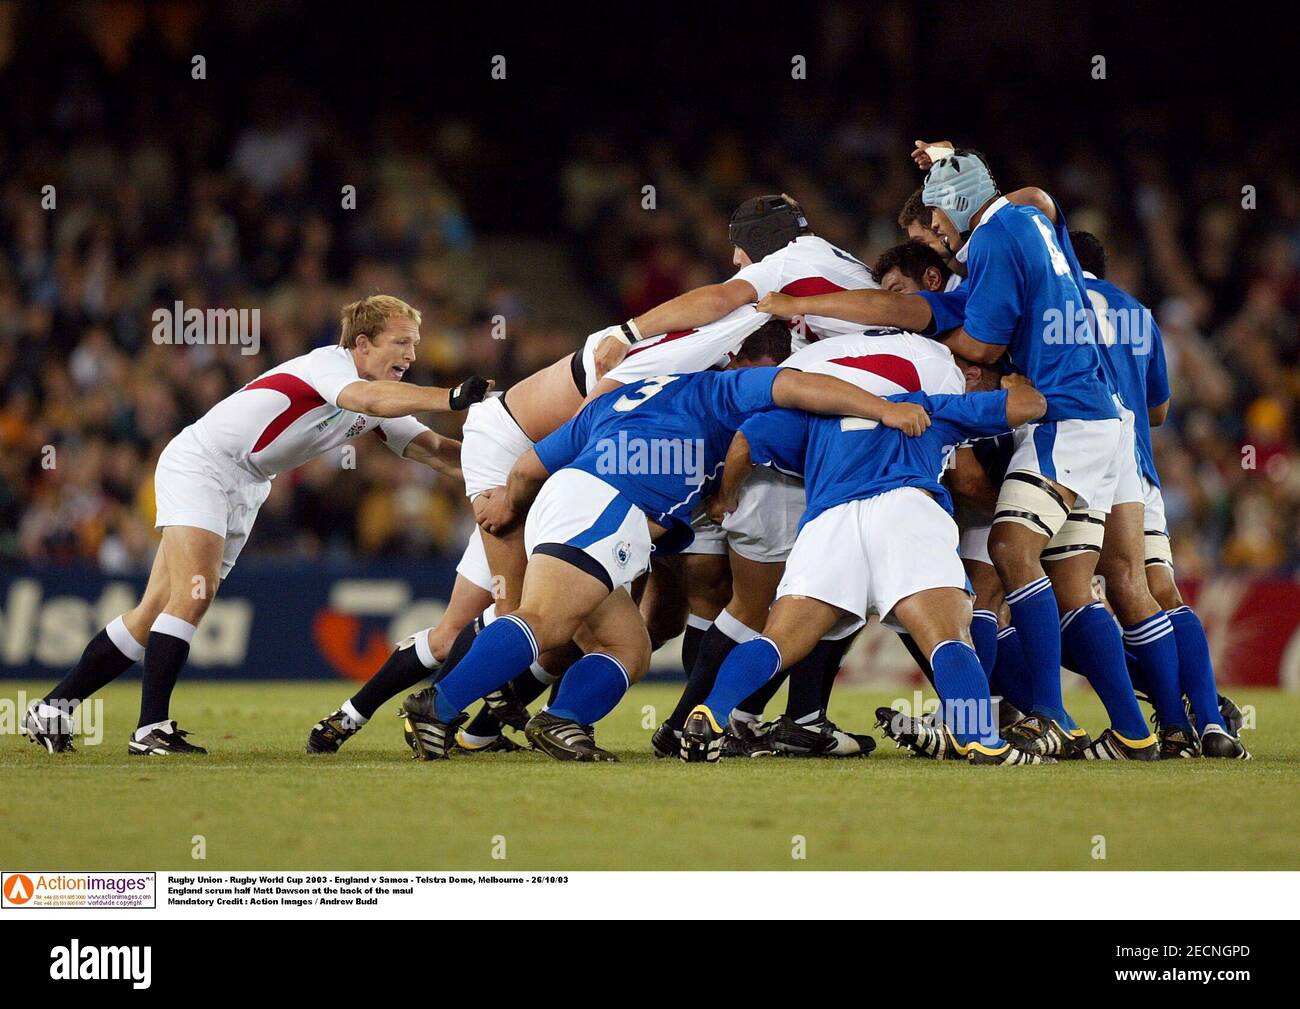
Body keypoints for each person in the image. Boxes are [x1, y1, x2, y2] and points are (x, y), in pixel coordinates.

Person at [23, 295, 487, 755]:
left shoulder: (379, 400)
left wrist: (511, 458)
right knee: (194, 594)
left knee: (153, 611)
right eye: (402, 342)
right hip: (204, 464)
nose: (411, 354)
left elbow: (436, 453)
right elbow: (368, 398)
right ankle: (150, 730)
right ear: (362, 344)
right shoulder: (331, 366)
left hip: (247, 484)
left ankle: (51, 710)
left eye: (415, 344)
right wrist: (449, 398)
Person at [399, 365, 930, 761]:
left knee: (627, 649)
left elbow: (528, 468)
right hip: (609, 504)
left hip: (576, 500)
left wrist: (511, 505)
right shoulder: (714, 388)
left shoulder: (616, 402)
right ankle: (438, 707)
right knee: (546, 622)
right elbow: (792, 383)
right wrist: (882, 409)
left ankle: (562, 718)